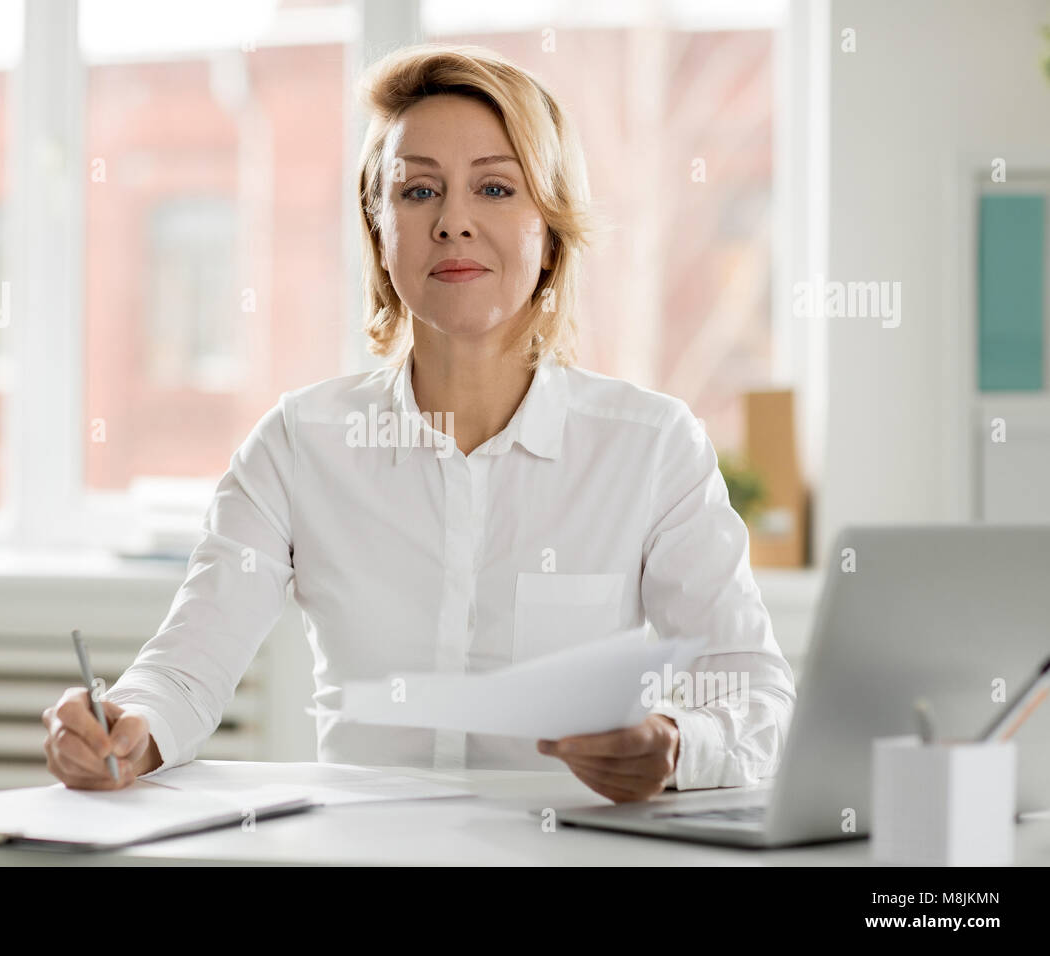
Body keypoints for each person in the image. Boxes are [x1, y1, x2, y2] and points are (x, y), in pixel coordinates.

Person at [42, 43, 796, 804]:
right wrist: (124, 728)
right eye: (418, 191)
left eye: (496, 188)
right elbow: (182, 673)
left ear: (551, 231)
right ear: (379, 229)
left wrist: (674, 745)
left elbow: (756, 693)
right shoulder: (301, 444)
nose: (454, 223)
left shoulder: (652, 447)